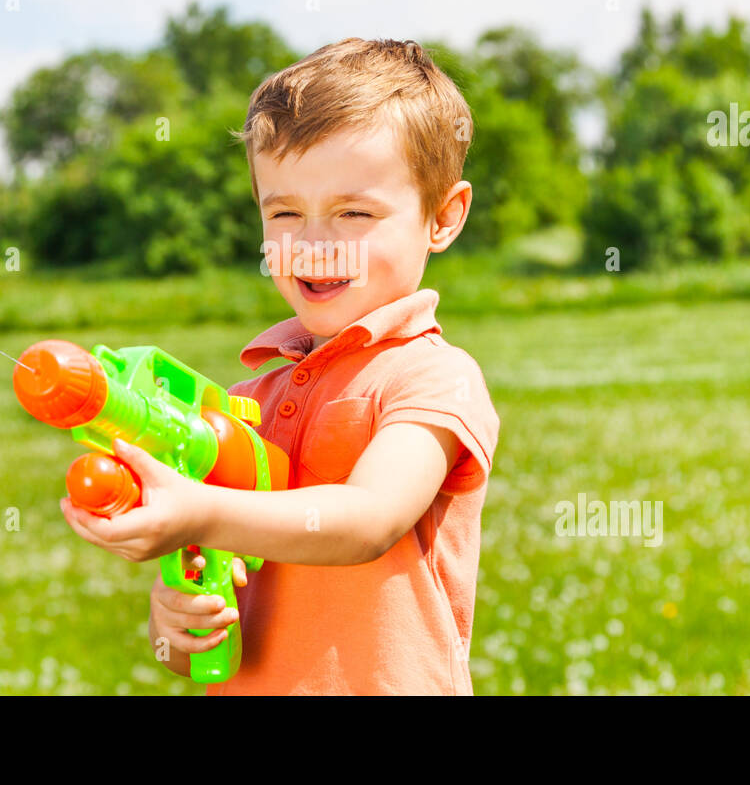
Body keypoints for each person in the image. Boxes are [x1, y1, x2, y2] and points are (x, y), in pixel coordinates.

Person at [61, 37, 500, 694]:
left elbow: (368, 520)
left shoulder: (435, 377)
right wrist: (177, 623)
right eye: (286, 212)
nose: (316, 244)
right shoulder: (241, 403)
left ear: (443, 216)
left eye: (355, 213)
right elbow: (196, 639)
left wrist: (198, 511)